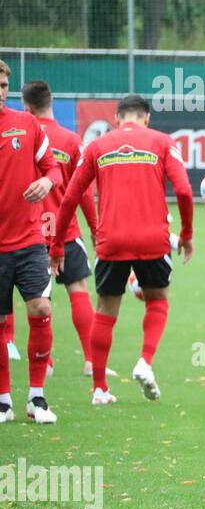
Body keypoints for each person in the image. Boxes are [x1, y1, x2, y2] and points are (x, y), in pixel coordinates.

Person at [50, 94, 194, 404]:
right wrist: (186, 233)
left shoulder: (97, 146)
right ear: (147, 118)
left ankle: (100, 388)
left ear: (117, 119)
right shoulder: (162, 141)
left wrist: (57, 245)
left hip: (111, 240)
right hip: (152, 239)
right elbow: (183, 189)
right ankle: (145, 361)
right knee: (157, 300)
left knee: (106, 309)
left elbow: (70, 197)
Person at [24, 79, 110, 379]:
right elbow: (84, 190)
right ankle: (90, 361)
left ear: (26, 106)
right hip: (66, 230)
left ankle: (43, 362)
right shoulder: (71, 140)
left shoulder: (21, 135)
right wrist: (95, 227)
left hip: (29, 232)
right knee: (78, 290)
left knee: (37, 300)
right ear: (51, 102)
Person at [0, 59, 61, 424]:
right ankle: (3, 399)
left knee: (41, 309)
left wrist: (48, 182)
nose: (0, 91)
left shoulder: (26, 124)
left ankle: (37, 397)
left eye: (4, 85)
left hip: (28, 240)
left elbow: (52, 166)